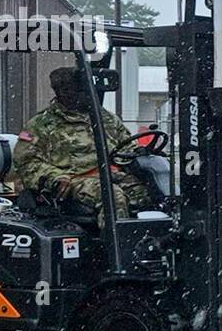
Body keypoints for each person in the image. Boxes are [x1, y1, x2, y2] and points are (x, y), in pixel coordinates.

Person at [13, 66, 152, 224]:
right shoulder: (41, 124)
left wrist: (140, 154)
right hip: (73, 180)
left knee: (150, 193)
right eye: (78, 90)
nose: (84, 94)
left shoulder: (105, 118)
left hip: (110, 175)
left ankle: (150, 243)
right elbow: (26, 162)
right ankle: (115, 245)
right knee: (112, 197)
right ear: (63, 92)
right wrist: (54, 177)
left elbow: (126, 147)